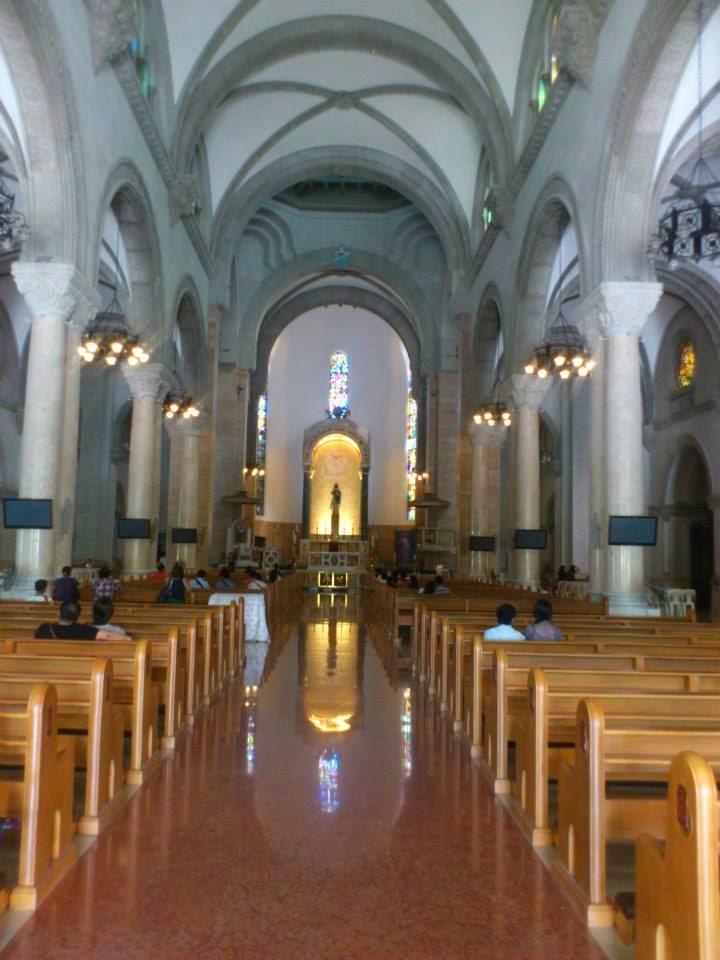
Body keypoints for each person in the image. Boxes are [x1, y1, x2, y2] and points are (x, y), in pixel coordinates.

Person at [35, 601, 114, 640]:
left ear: (58, 613)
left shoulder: (43, 628)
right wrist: (126, 638)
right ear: (78, 617)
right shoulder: (85, 630)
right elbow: (108, 636)